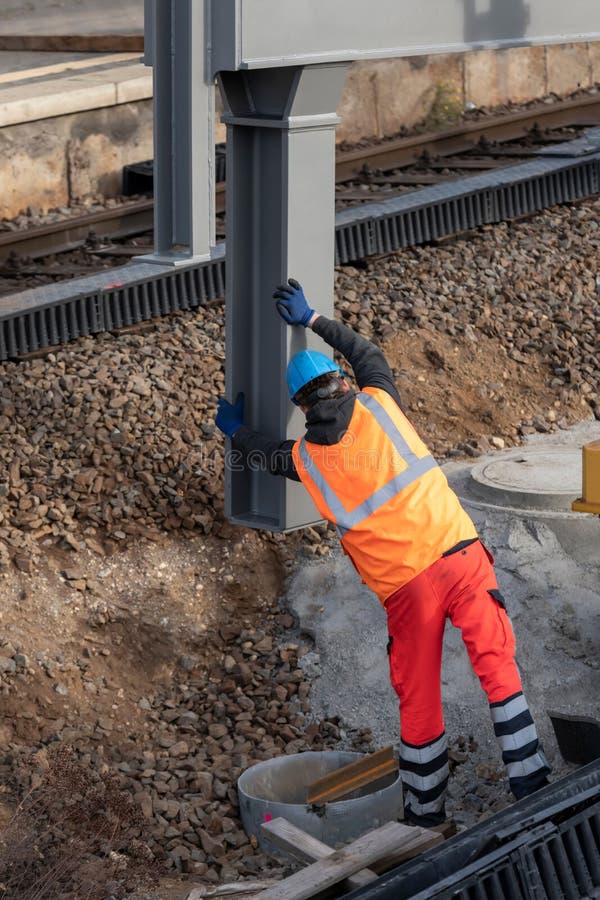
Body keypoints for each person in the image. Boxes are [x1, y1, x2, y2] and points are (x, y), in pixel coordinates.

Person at [215, 278, 551, 826]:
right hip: (460, 555)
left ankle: (425, 813)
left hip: (408, 589)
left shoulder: (306, 460)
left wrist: (234, 431)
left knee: (418, 698)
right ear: (340, 382)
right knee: (497, 667)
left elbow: (263, 454)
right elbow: (366, 351)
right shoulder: (380, 403)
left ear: (301, 406)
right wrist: (312, 319)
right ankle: (531, 785)